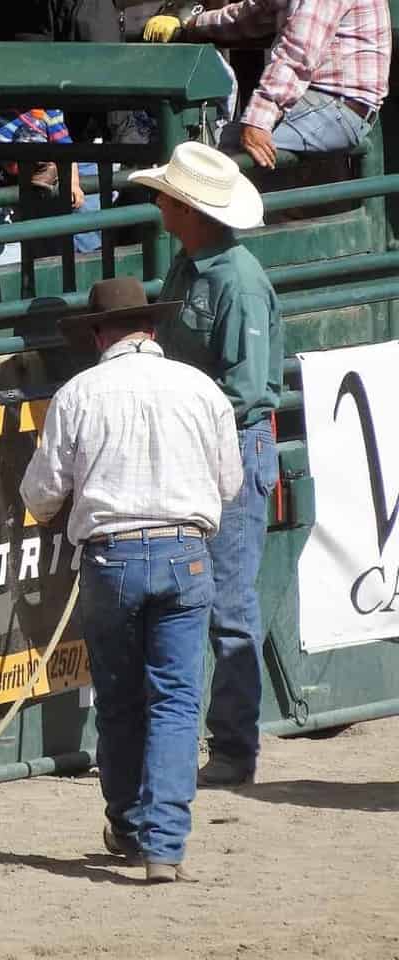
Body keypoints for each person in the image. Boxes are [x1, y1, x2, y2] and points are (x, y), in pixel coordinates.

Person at [20, 277, 243, 883]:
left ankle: (127, 821)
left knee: (119, 699)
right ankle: (164, 845)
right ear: (153, 329)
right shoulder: (202, 390)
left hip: (111, 556)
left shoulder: (78, 394)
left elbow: (40, 496)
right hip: (186, 551)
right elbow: (228, 484)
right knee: (175, 701)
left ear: (98, 334)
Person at [129, 141, 282, 786]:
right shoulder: (193, 269)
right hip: (206, 443)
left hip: (229, 447)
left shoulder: (235, 281)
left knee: (227, 602)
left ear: (186, 207)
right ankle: (217, 741)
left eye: (167, 194)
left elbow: (246, 390)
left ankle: (234, 746)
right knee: (208, 596)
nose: (159, 201)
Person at [144, 0, 391, 169]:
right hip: (320, 102)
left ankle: (230, 238)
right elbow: (253, 14)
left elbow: (297, 53)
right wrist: (190, 26)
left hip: (339, 107)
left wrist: (257, 121)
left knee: (213, 148)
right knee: (216, 146)